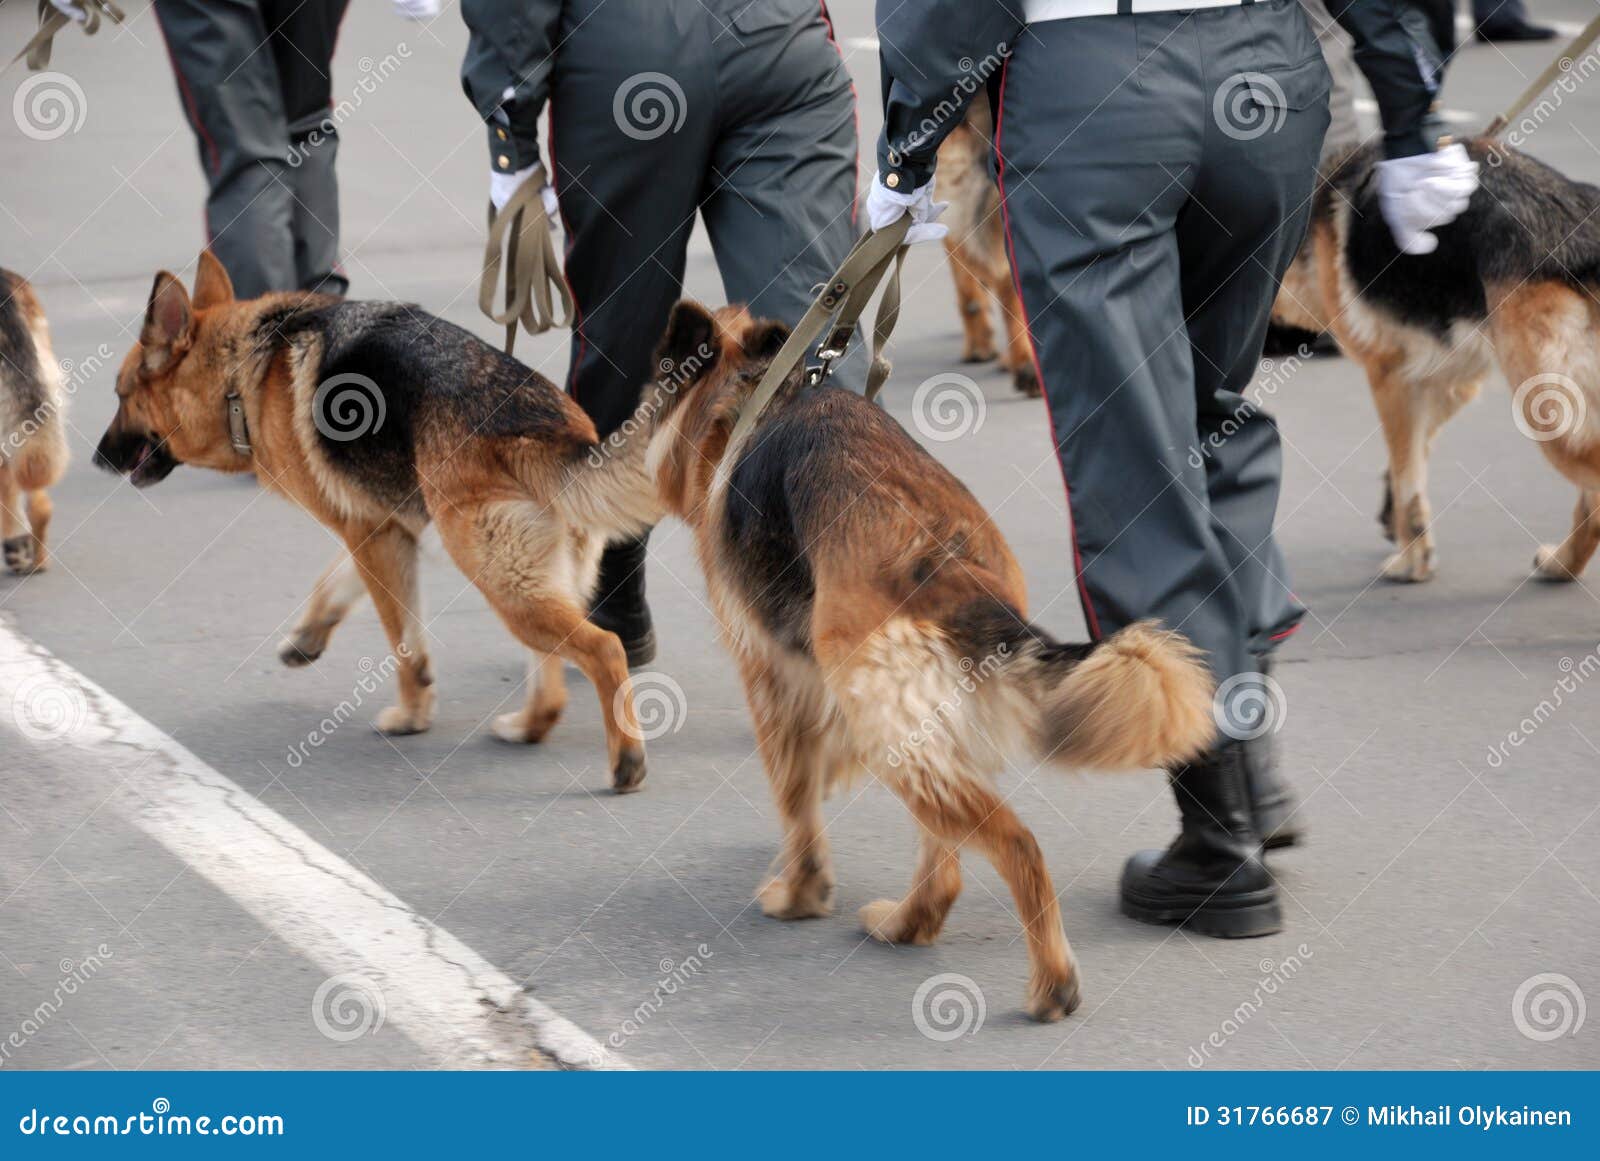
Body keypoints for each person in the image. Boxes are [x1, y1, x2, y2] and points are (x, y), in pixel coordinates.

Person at [871, 0, 1476, 937]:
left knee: (1136, 452)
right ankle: (1247, 759)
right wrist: (1409, 118)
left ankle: (1218, 844)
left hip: (1092, 83)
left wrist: (910, 142)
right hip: (1262, 72)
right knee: (1208, 412)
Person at [459, 0, 860, 666]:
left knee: (625, 340)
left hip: (628, 50)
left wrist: (511, 130)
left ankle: (610, 591)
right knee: (807, 344)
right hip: (778, 40)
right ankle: (854, 598)